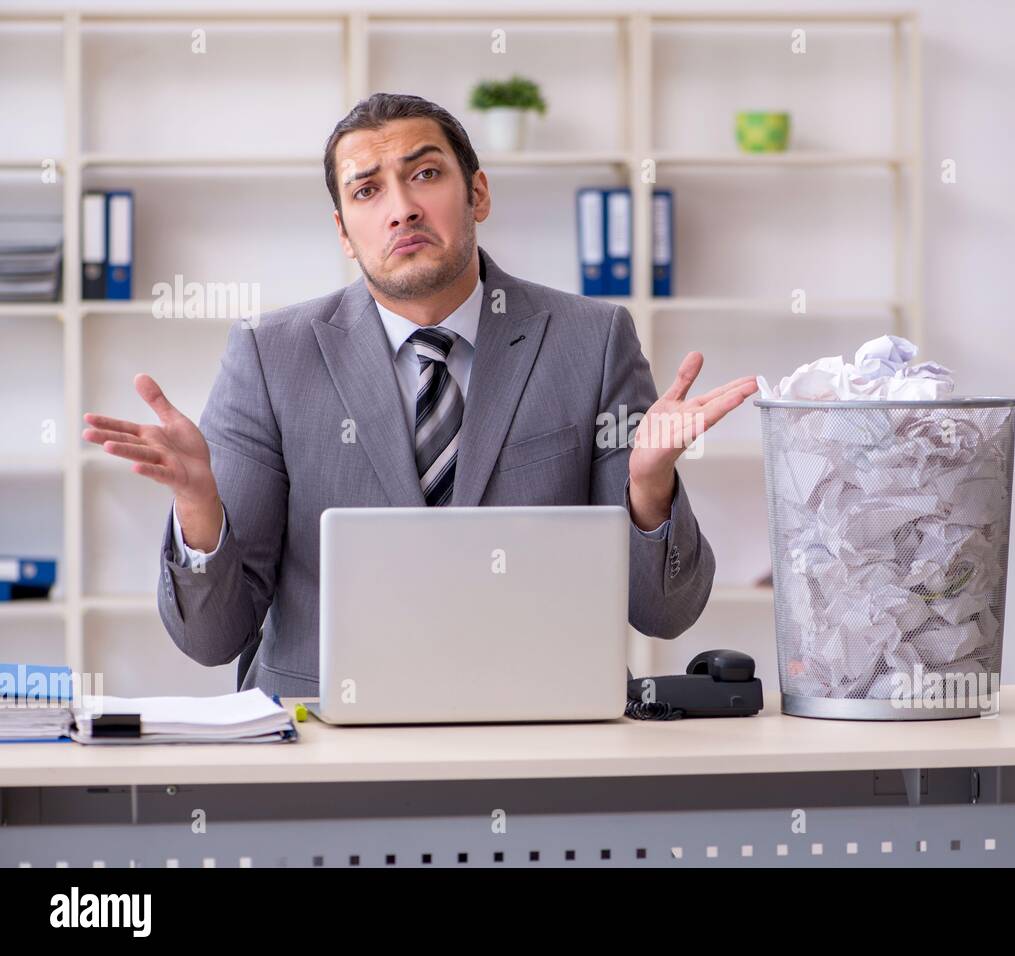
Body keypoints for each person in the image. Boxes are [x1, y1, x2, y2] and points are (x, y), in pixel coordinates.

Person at [81, 93, 757, 697]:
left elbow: (664, 612)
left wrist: (648, 489)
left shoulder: (593, 339)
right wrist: (199, 507)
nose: (401, 207)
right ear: (344, 232)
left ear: (478, 194)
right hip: (326, 740)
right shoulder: (270, 356)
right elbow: (211, 638)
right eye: (367, 191)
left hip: (544, 730)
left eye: (425, 174)